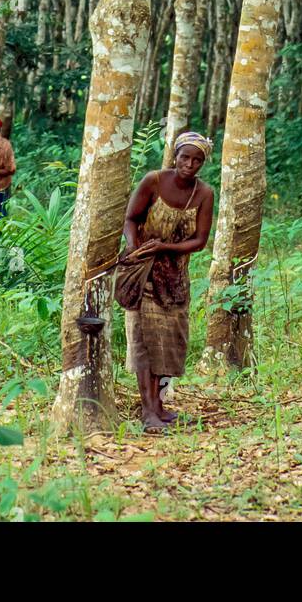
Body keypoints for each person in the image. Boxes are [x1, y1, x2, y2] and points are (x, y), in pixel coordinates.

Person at [121, 129, 214, 432]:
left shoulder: (204, 194)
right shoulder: (154, 181)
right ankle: (148, 412)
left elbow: (199, 240)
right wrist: (135, 248)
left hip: (173, 279)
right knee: (144, 342)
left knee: (168, 343)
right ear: (175, 156)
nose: (189, 164)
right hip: (142, 274)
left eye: (197, 160)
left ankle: (160, 407)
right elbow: (131, 218)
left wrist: (166, 248)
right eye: (185, 157)